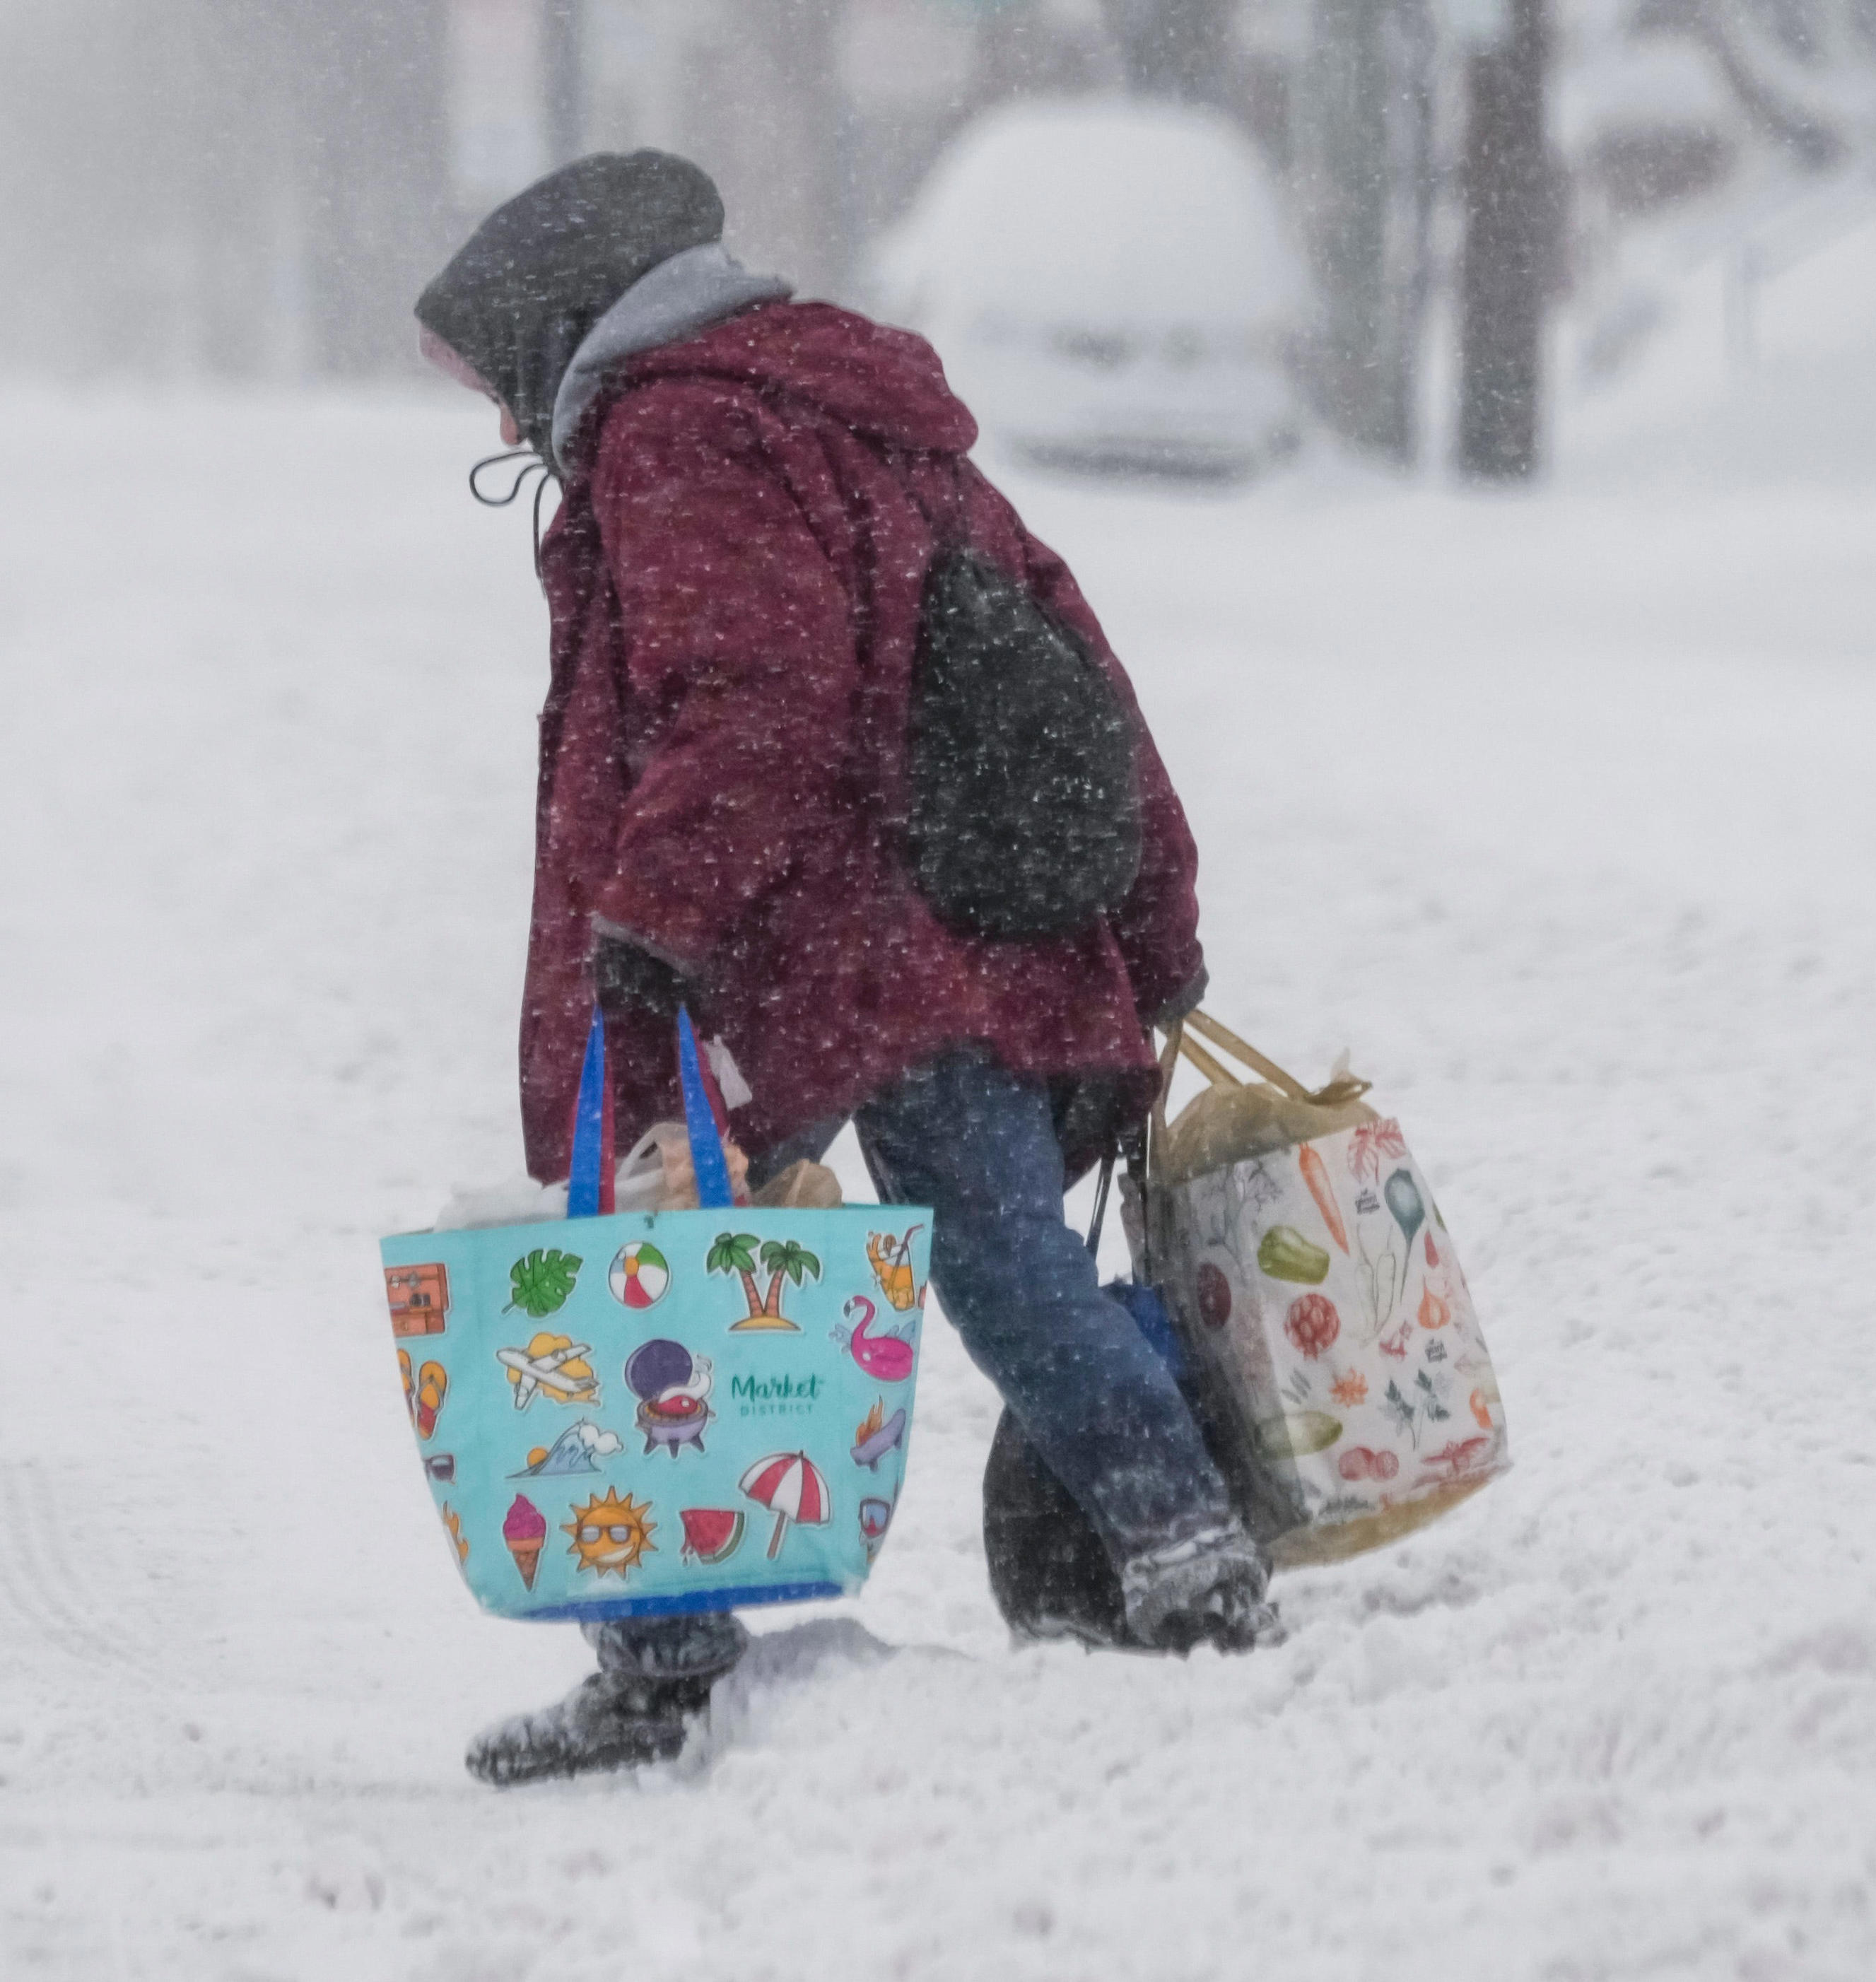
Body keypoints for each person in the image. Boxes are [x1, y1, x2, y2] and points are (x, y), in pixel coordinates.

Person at [413, 151, 1275, 1788]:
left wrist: (653, 917)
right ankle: (678, 1647)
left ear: (562, 333)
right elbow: (1072, 644)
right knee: (712, 1256)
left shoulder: (688, 433)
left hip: (842, 947)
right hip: (930, 925)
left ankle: (1187, 1558)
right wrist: (1153, 916)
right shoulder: (836, 406)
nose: (506, 435)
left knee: (721, 1265)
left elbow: (756, 696)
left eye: (505, 389)